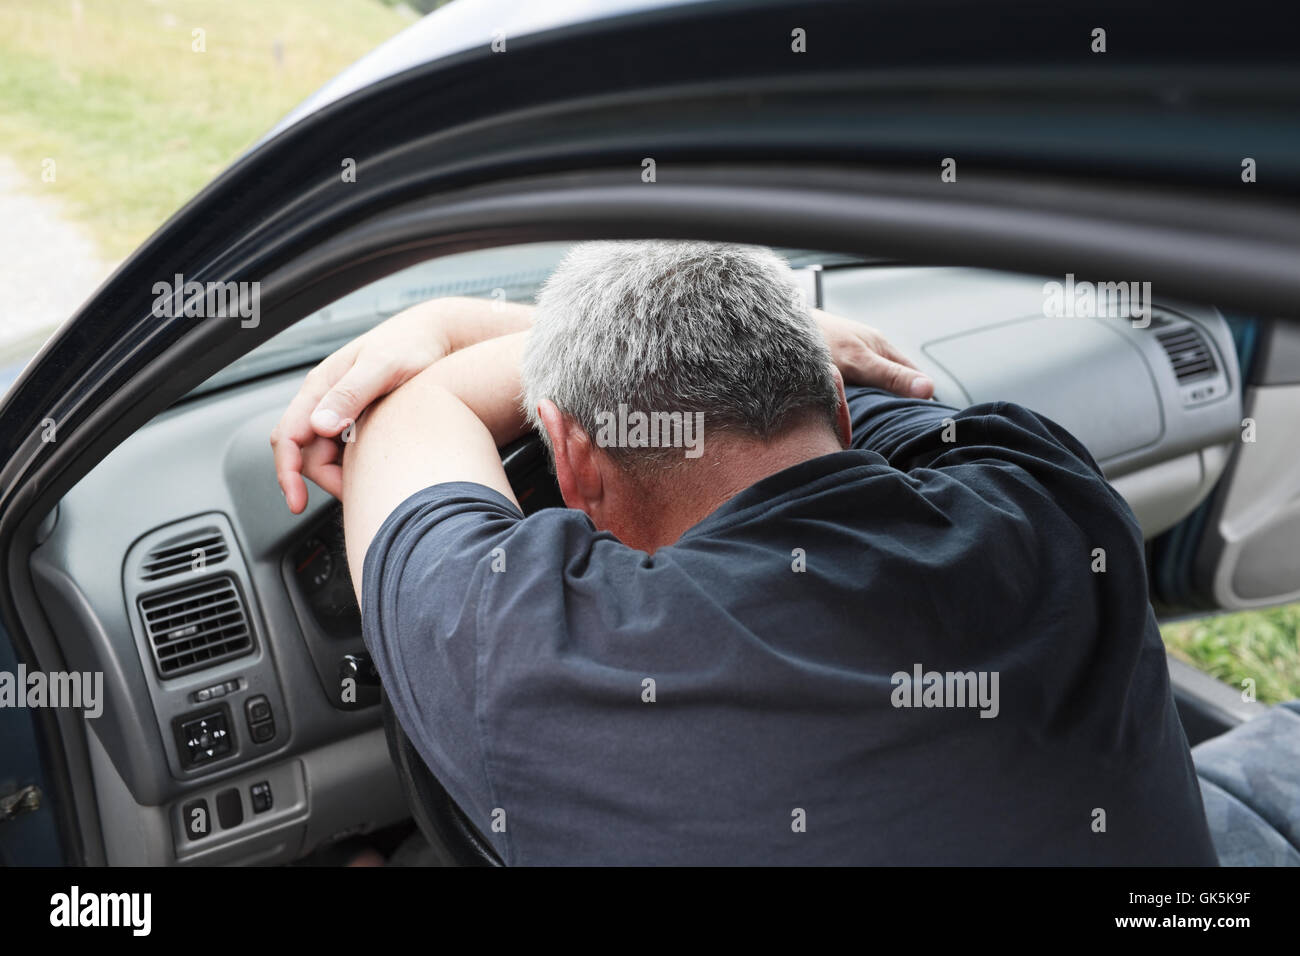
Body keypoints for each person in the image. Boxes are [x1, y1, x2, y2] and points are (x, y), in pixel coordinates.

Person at [270, 241, 1217, 865]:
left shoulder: (536, 659)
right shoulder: (1043, 485)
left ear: (569, 459)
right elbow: (842, 377)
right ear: (841, 412)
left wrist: (443, 323)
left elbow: (412, 409)